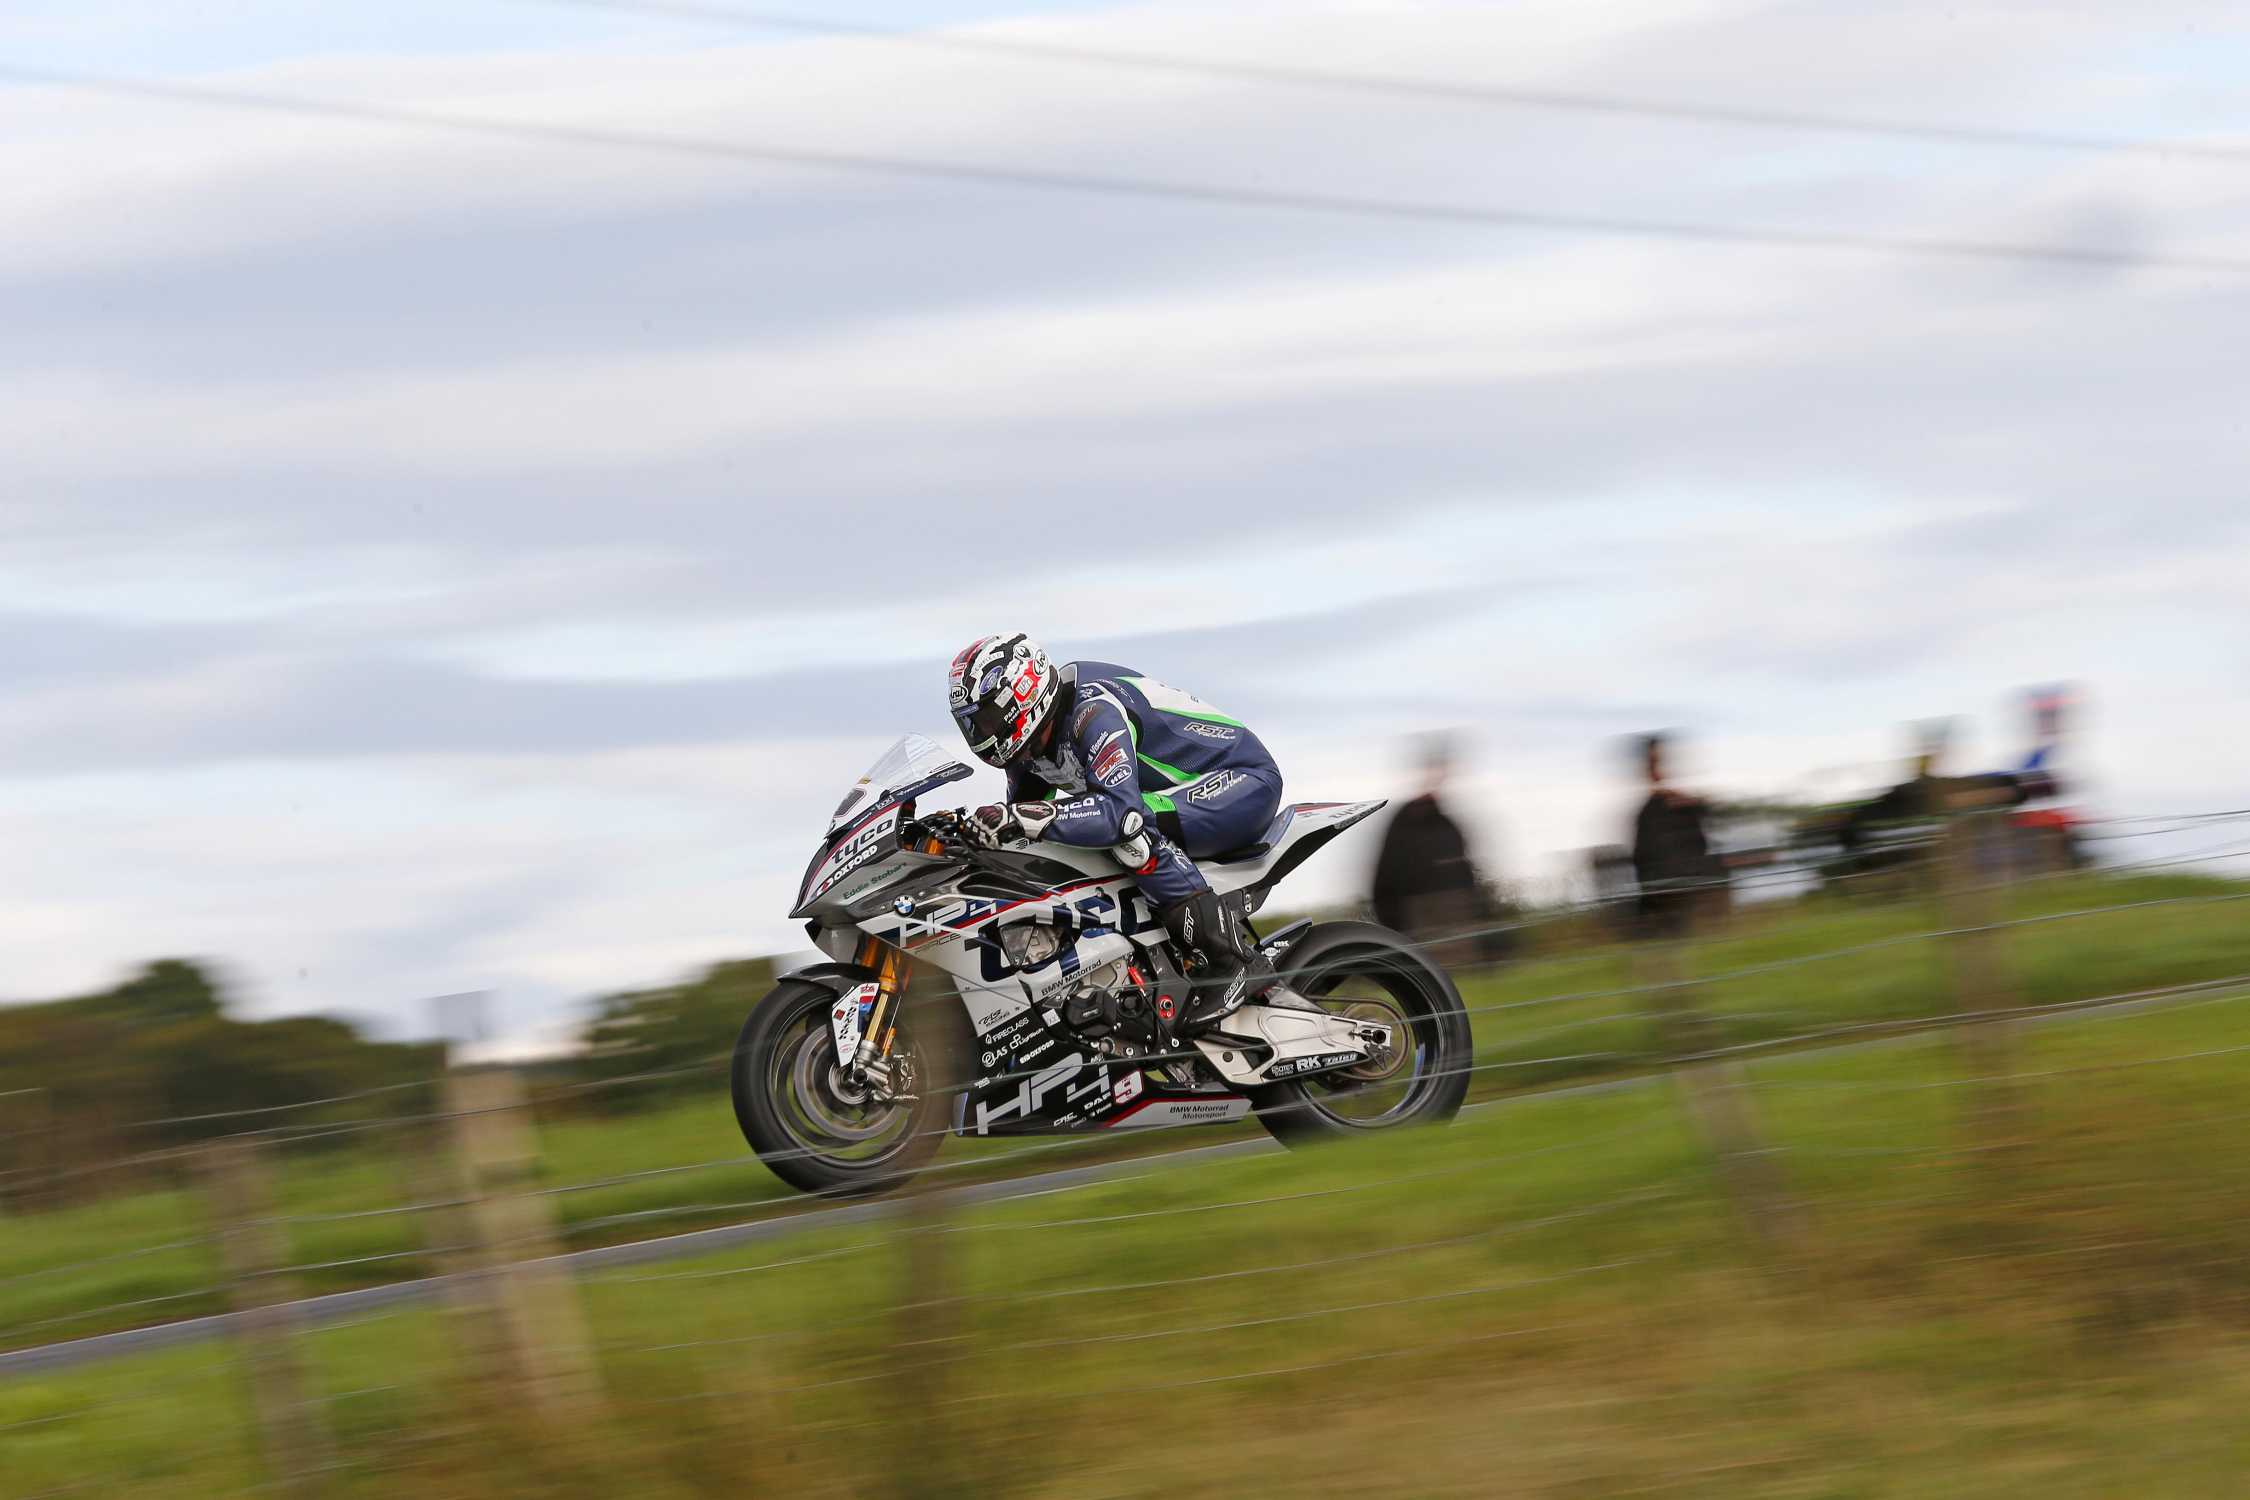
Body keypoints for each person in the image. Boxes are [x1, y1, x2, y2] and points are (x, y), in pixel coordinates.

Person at [946, 633, 1281, 1036]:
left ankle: (1232, 962)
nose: (979, 732)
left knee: (1129, 832)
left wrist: (1022, 817)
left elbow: (1120, 811)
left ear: (1019, 693)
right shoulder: (1030, 748)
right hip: (1177, 799)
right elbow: (1020, 830)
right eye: (970, 724)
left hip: (1241, 780)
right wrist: (960, 832)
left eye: (983, 719)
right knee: (1066, 834)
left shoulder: (1092, 709)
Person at [1369, 734, 1483, 965]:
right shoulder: (1403, 821)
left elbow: (1465, 868)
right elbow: (1388, 871)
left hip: (1455, 916)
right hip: (1417, 918)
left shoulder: (1449, 824)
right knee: (1430, 974)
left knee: (1459, 975)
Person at [1631, 732, 1725, 939]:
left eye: (1658, 760)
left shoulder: (1677, 804)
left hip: (1680, 881)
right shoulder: (1650, 812)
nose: (1657, 769)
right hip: (1664, 883)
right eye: (1653, 762)